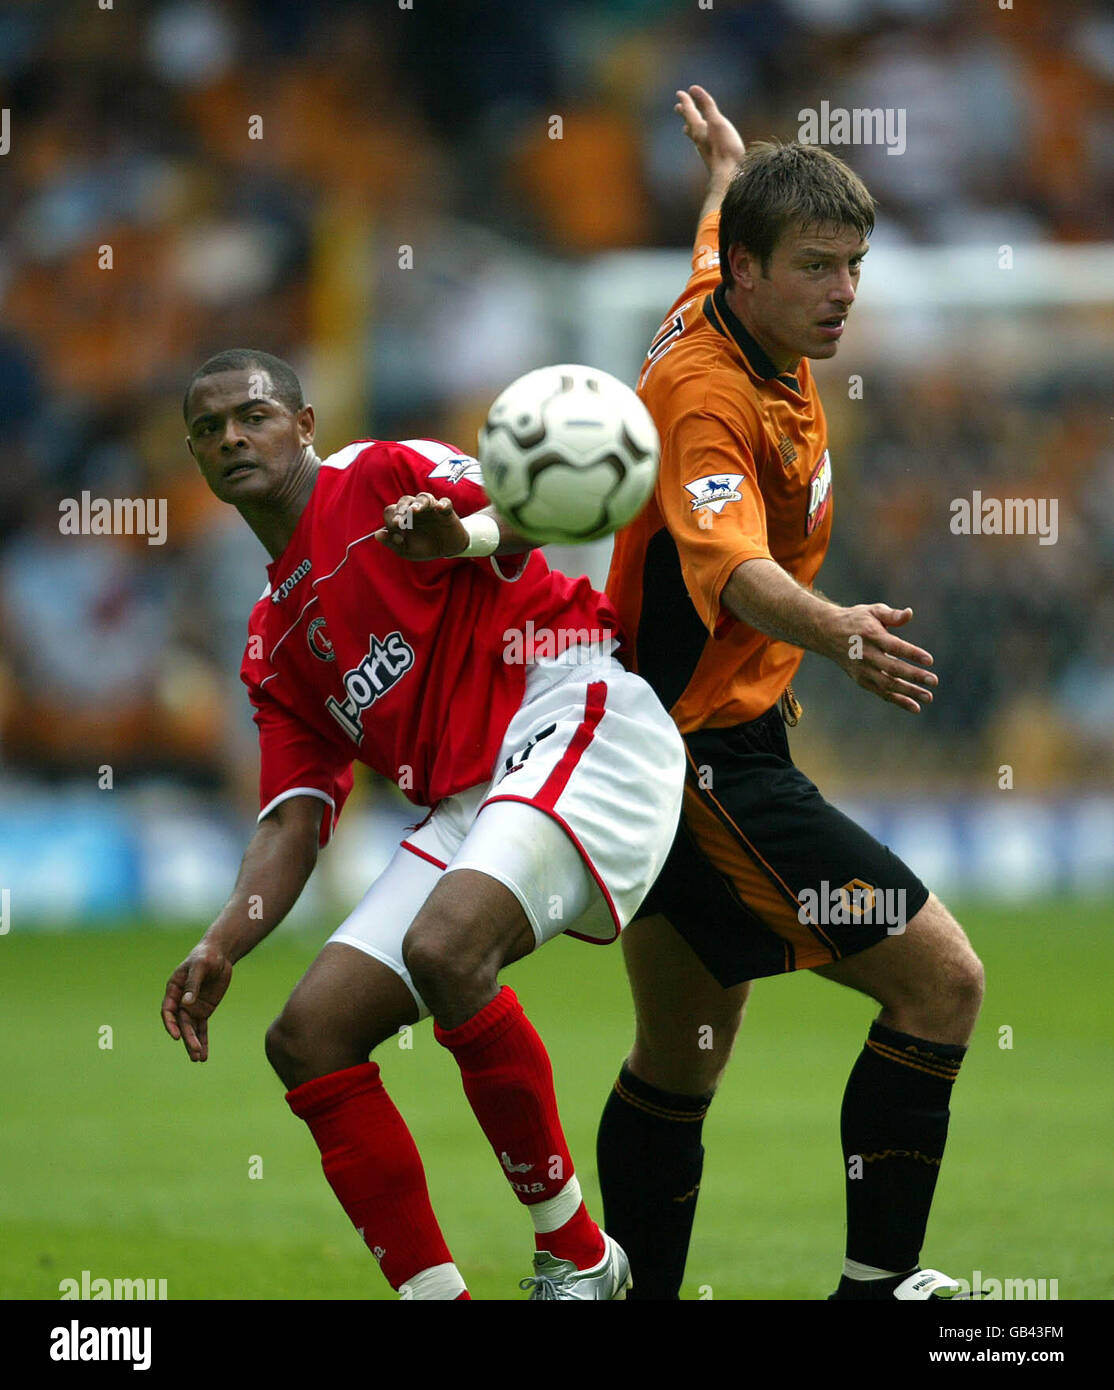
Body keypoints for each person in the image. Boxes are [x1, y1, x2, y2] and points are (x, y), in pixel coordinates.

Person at [160, 348, 685, 1300]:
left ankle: (575, 1258)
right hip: (470, 798)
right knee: (308, 1035)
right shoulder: (272, 642)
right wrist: (223, 940)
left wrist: (461, 539)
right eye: (209, 428)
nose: (233, 436)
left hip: (571, 703)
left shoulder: (379, 477)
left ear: (306, 424)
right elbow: (294, 817)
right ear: (196, 457)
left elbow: (530, 512)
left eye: (255, 415)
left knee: (447, 947)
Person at [595, 89, 985, 1301]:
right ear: (756, 278)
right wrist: (840, 635)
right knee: (941, 982)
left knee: (682, 1053)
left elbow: (720, 223)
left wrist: (723, 165)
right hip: (699, 756)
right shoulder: (702, 395)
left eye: (854, 264)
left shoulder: (734, 289)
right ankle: (880, 1290)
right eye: (817, 266)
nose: (843, 290)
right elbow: (732, 569)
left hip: (684, 743)